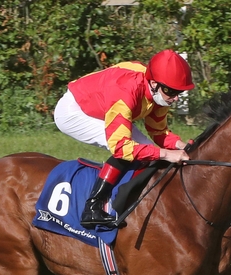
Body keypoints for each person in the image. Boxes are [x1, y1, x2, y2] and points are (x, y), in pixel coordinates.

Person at [53, 49, 194, 229]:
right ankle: (92, 208)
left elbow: (158, 131)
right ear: (153, 84)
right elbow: (121, 147)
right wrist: (166, 154)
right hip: (74, 112)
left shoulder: (159, 92)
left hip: (103, 106)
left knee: (148, 150)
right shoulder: (127, 91)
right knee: (137, 151)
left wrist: (180, 146)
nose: (175, 98)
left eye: (178, 92)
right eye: (171, 92)